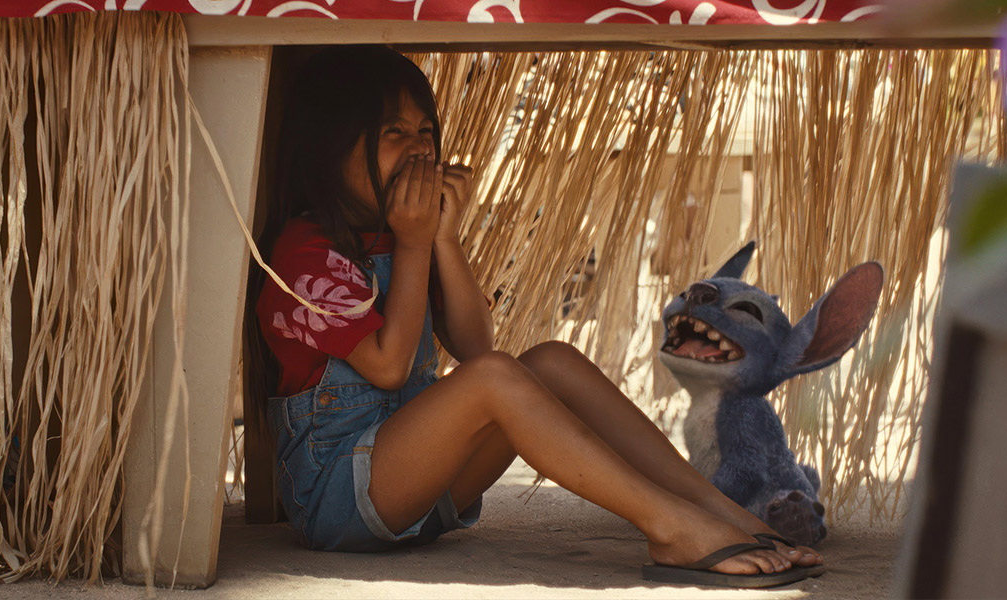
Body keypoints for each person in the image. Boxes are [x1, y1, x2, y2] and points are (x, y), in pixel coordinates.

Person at [246, 45, 824, 588]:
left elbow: (476, 346)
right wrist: (416, 242)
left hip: (425, 492)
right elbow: (390, 366)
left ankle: (719, 509)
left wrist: (442, 240)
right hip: (341, 499)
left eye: (426, 131)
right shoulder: (303, 256)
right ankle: (671, 526)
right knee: (495, 378)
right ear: (327, 151)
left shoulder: (406, 236)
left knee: (551, 362)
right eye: (393, 133)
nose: (420, 149)